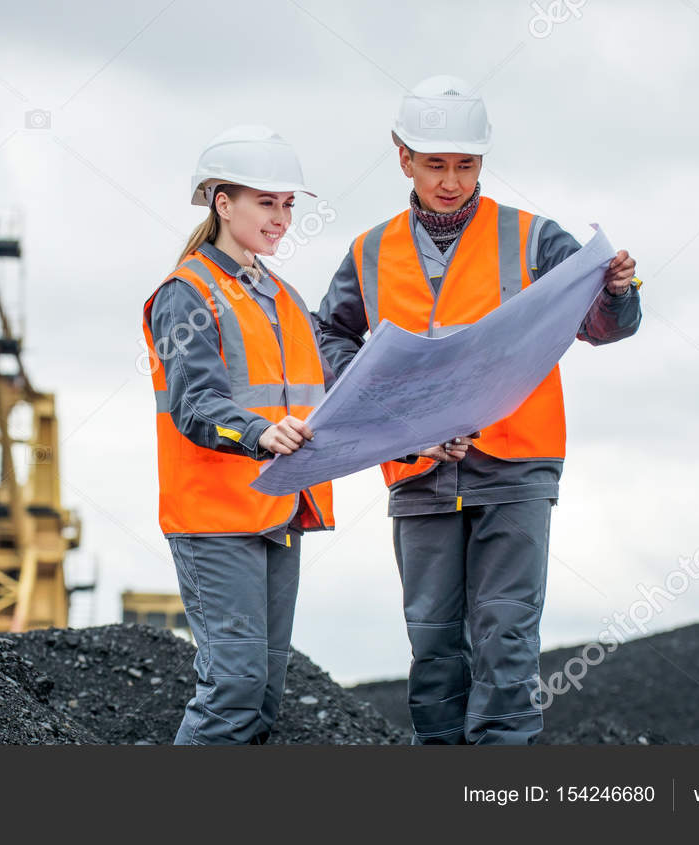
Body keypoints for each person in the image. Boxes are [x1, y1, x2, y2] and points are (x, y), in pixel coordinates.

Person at [315, 76, 642, 745]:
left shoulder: (532, 238)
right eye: (435, 164)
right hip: (419, 472)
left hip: (516, 465)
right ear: (403, 158)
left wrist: (617, 291)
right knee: (434, 645)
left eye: (465, 165)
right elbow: (330, 336)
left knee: (506, 637)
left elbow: (601, 324)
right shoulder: (371, 252)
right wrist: (389, 408)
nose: (451, 181)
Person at [142, 125, 467, 745]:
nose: (281, 218)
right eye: (267, 202)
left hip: (279, 511)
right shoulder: (187, 294)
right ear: (222, 203)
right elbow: (194, 404)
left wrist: (418, 441)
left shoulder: (285, 300)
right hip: (216, 519)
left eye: (288, 204)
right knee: (233, 689)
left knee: (262, 696)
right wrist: (262, 433)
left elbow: (340, 407)